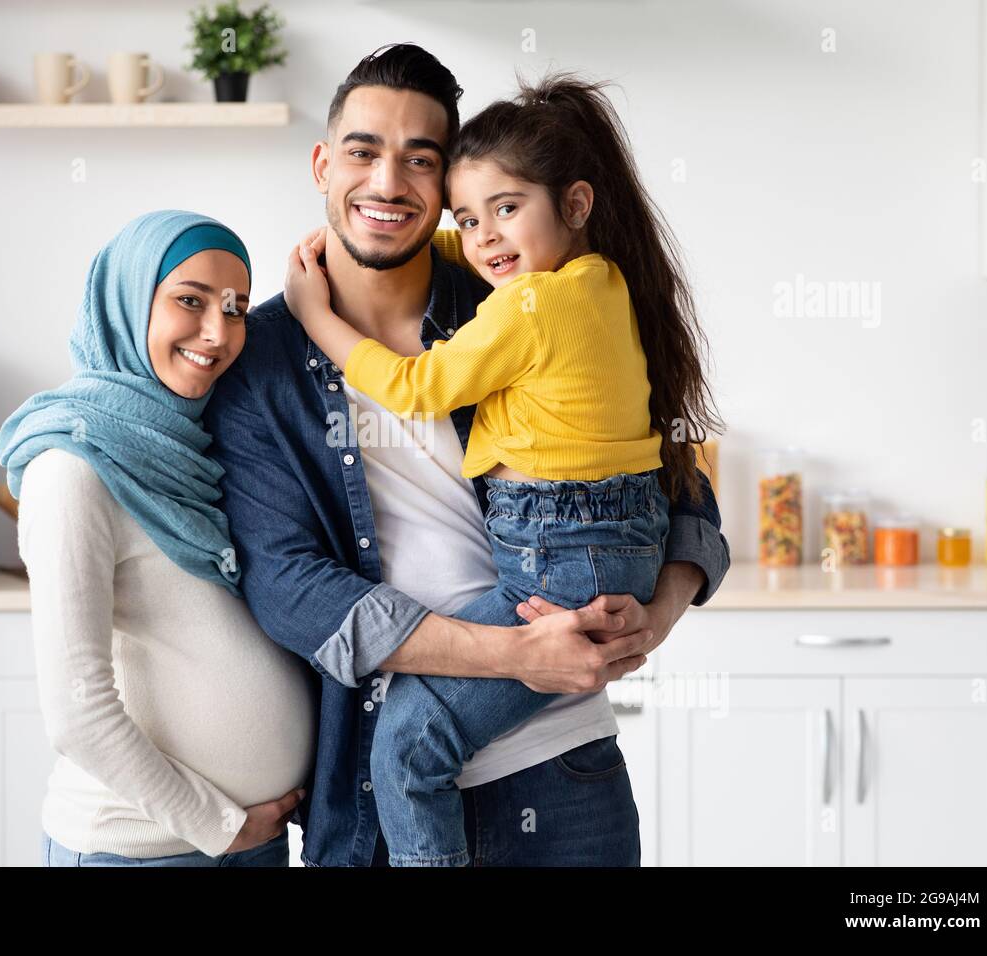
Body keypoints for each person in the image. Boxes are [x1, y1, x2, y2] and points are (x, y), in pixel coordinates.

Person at [206, 44, 730, 867]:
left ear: (443, 185)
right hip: (380, 799)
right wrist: (515, 652)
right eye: (363, 151)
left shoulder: (512, 292)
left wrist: (654, 616)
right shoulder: (261, 358)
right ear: (321, 164)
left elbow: (671, 471)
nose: (387, 183)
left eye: (420, 159)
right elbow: (289, 588)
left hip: (564, 775)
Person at [0, 210, 316, 868]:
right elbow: (76, 711)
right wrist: (220, 825)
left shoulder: (201, 447)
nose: (217, 332)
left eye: (235, 309)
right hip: (142, 850)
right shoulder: (72, 467)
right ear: (128, 300)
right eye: (189, 301)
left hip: (245, 843)